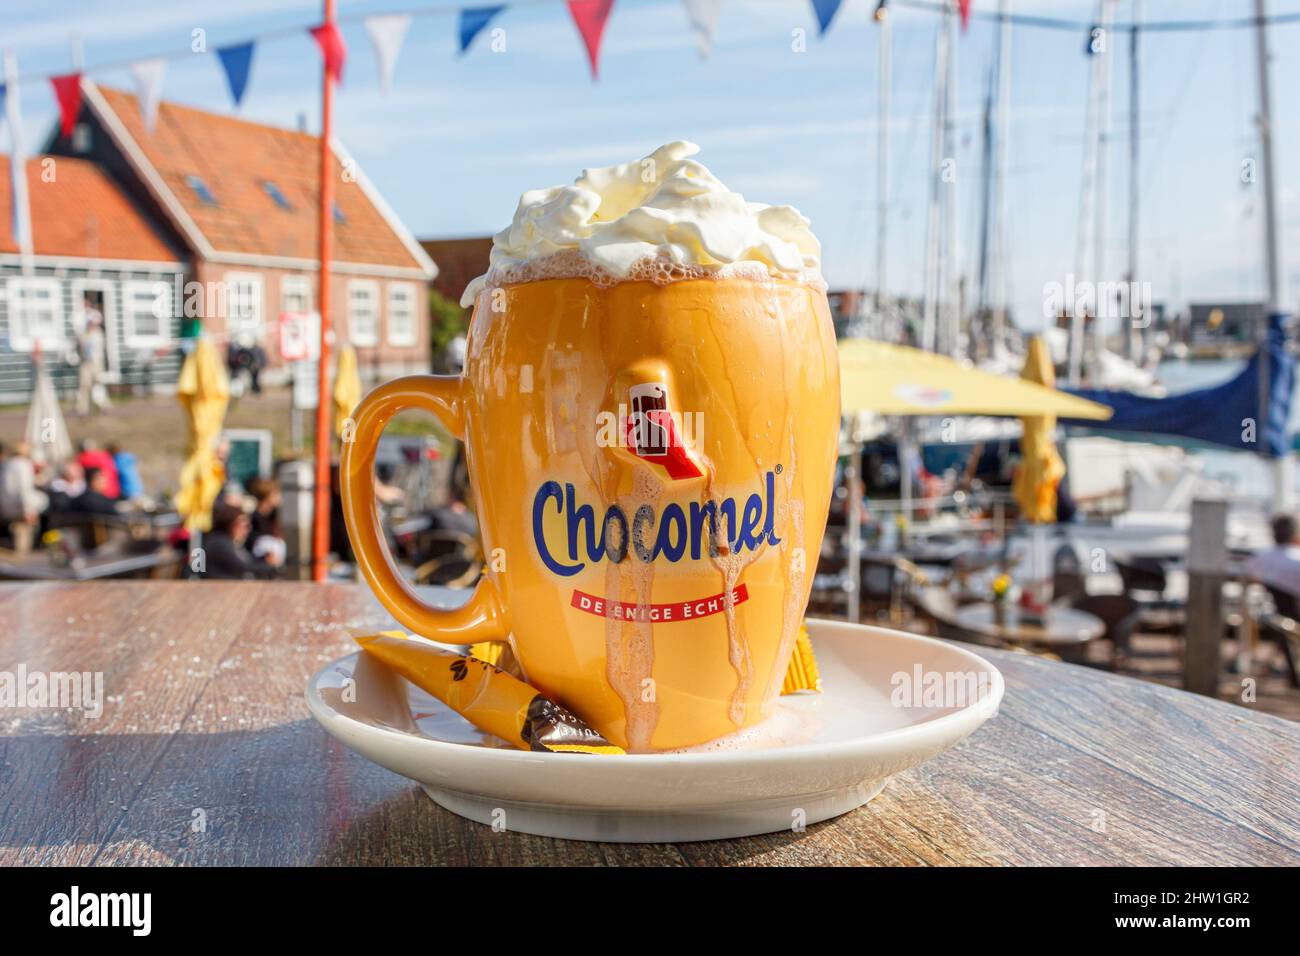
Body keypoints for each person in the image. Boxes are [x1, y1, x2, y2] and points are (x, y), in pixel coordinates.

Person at [200, 501, 280, 580]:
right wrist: (268, 565)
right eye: (244, 526)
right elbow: (241, 567)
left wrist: (264, 559)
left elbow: (248, 561)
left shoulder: (228, 541)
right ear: (230, 524)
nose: (248, 529)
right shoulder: (219, 542)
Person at [0, 441, 49, 554]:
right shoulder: (22, 465)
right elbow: (24, 489)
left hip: (7, 507)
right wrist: (28, 510)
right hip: (20, 508)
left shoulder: (7, 465)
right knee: (24, 538)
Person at [1246, 514, 1300, 604]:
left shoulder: (1259, 557)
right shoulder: (1296, 559)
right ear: (1294, 534)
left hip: (1277, 607)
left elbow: (1253, 576)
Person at [75, 306, 110, 416]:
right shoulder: (84, 334)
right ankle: (82, 408)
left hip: (96, 362)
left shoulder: (99, 334)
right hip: (86, 363)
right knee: (84, 385)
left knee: (99, 383)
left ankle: (103, 405)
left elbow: (98, 349)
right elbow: (80, 347)